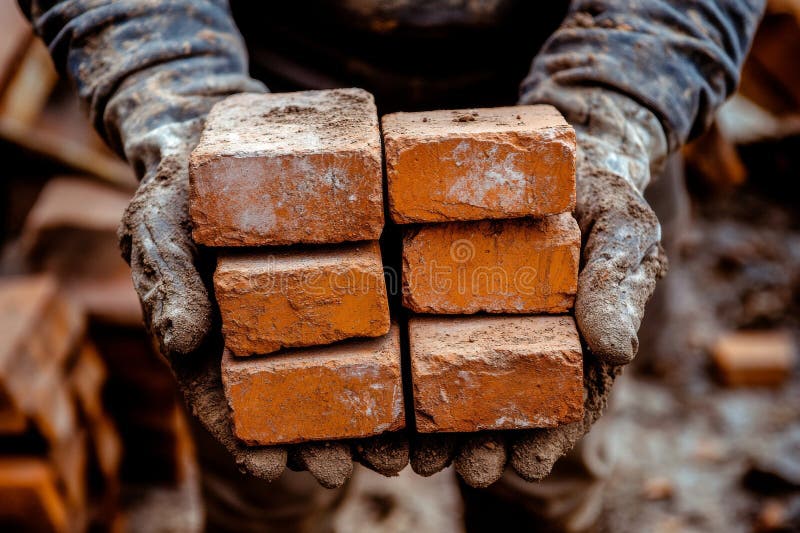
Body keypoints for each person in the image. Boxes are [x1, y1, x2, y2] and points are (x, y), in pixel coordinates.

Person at [18, 1, 765, 530]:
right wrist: (179, 101)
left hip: (567, 98)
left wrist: (615, 109)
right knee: (271, 466)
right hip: (266, 101)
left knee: (545, 448)